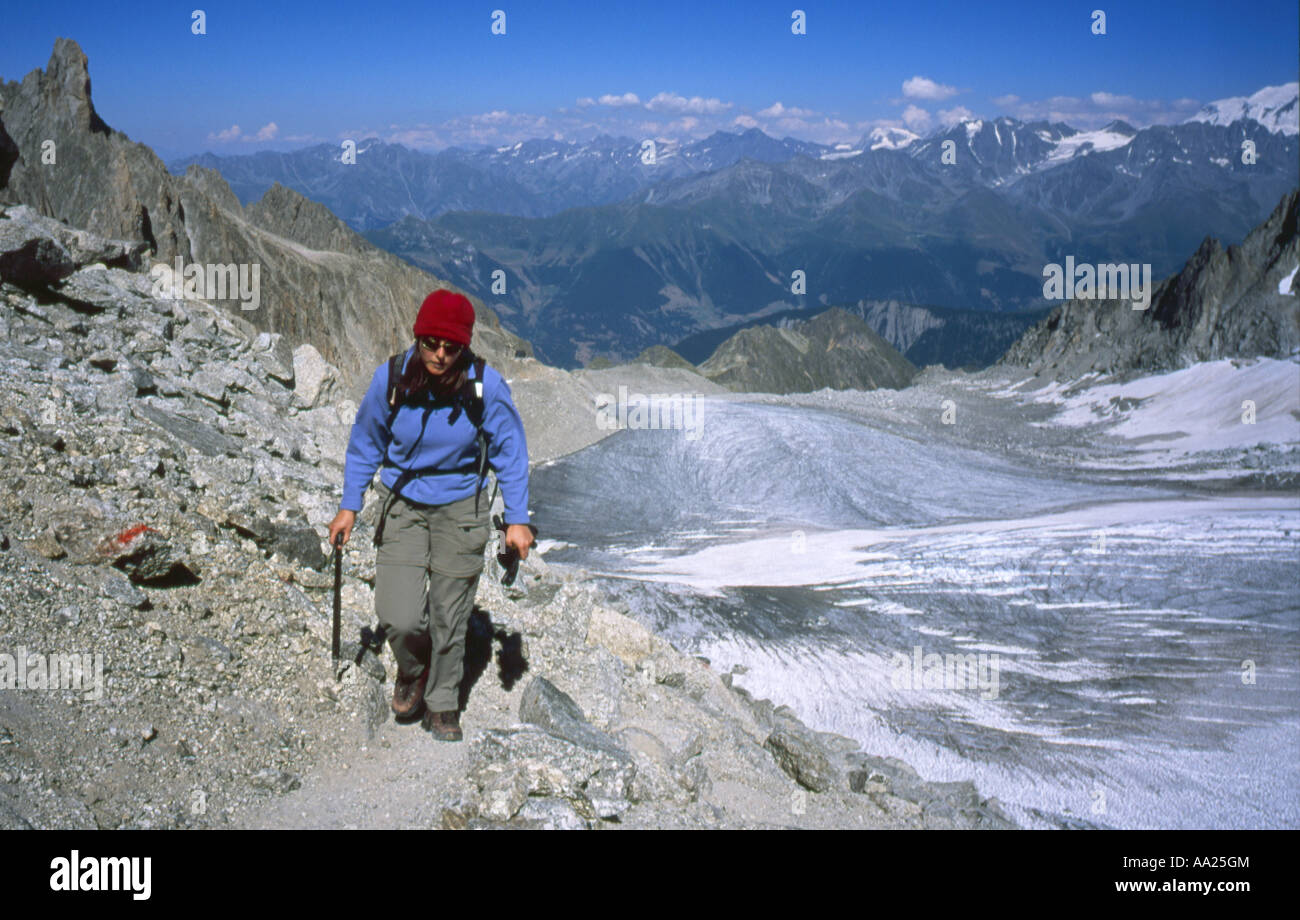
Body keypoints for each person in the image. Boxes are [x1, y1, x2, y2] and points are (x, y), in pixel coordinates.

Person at [327, 289, 533, 741]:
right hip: (402, 501)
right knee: (398, 614)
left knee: (449, 613)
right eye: (430, 344)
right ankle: (413, 668)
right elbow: (365, 442)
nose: (440, 355)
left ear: (465, 346)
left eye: (451, 347)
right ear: (417, 338)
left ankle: (443, 703)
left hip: (462, 506)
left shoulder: (485, 387)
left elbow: (511, 452)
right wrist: (349, 505)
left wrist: (517, 517)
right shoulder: (394, 379)